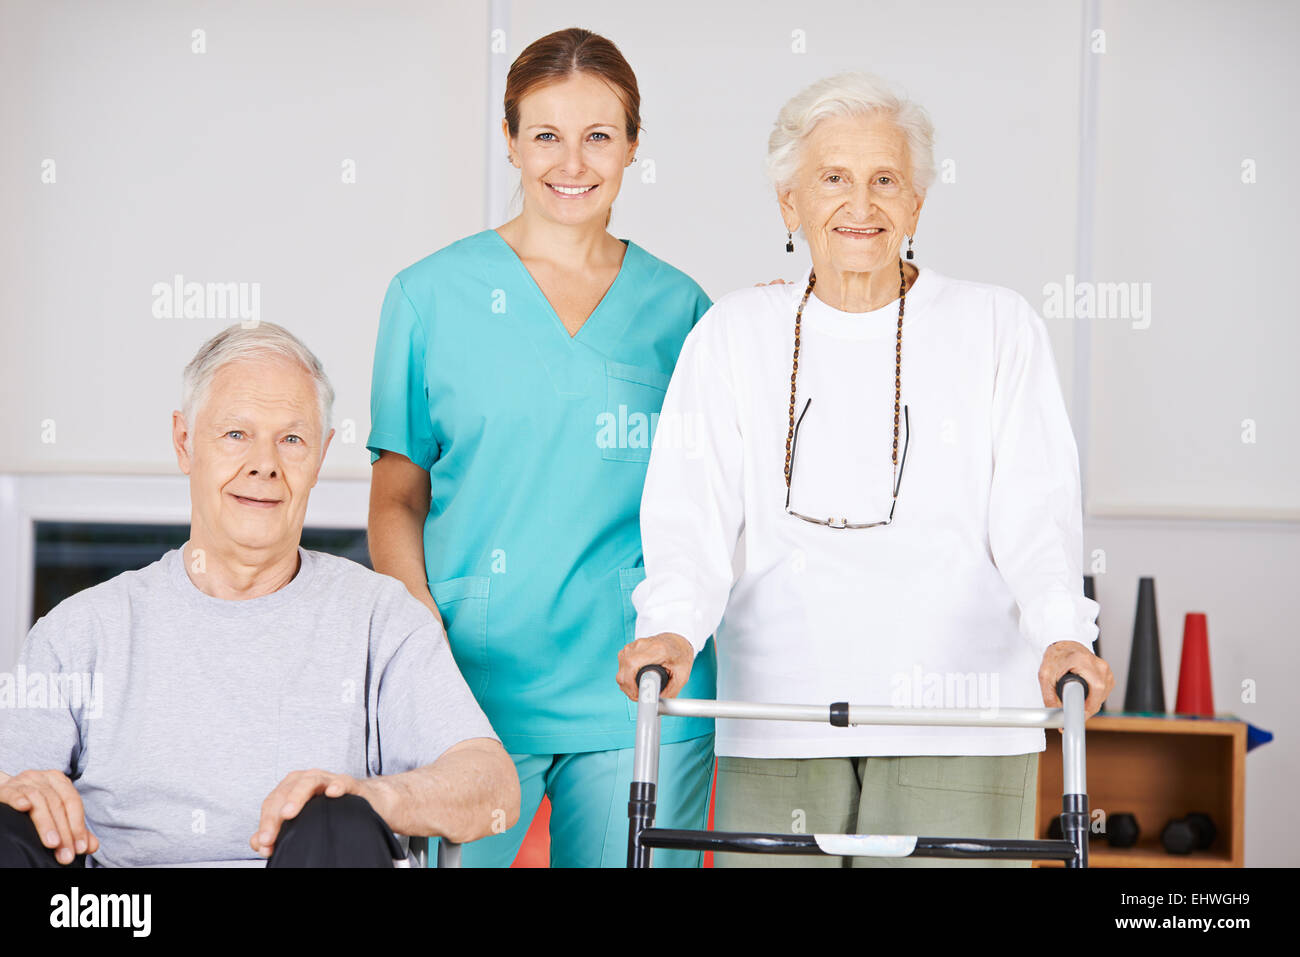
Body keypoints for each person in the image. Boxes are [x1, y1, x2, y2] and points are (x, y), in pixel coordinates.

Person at [617, 72, 1115, 867]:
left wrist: (1061, 633)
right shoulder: (734, 332)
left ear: (916, 203)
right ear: (790, 204)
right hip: (776, 714)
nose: (861, 204)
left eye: (886, 180)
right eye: (833, 179)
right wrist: (669, 628)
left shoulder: (997, 325)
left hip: (965, 721)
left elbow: (1036, 512)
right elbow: (689, 515)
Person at [366, 28, 716, 868]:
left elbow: (714, 506)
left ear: (633, 145)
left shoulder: (686, 312)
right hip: (472, 684)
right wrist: (418, 638)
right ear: (511, 140)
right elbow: (395, 496)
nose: (573, 161)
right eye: (546, 134)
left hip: (638, 690)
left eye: (599, 135)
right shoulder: (428, 297)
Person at [0, 322, 519, 867]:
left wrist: (373, 797)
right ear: (184, 442)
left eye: (291, 439)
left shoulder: (380, 618)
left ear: (319, 457)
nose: (264, 464)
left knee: (335, 815)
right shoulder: (83, 629)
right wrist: (23, 793)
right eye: (235, 434)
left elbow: (493, 789)